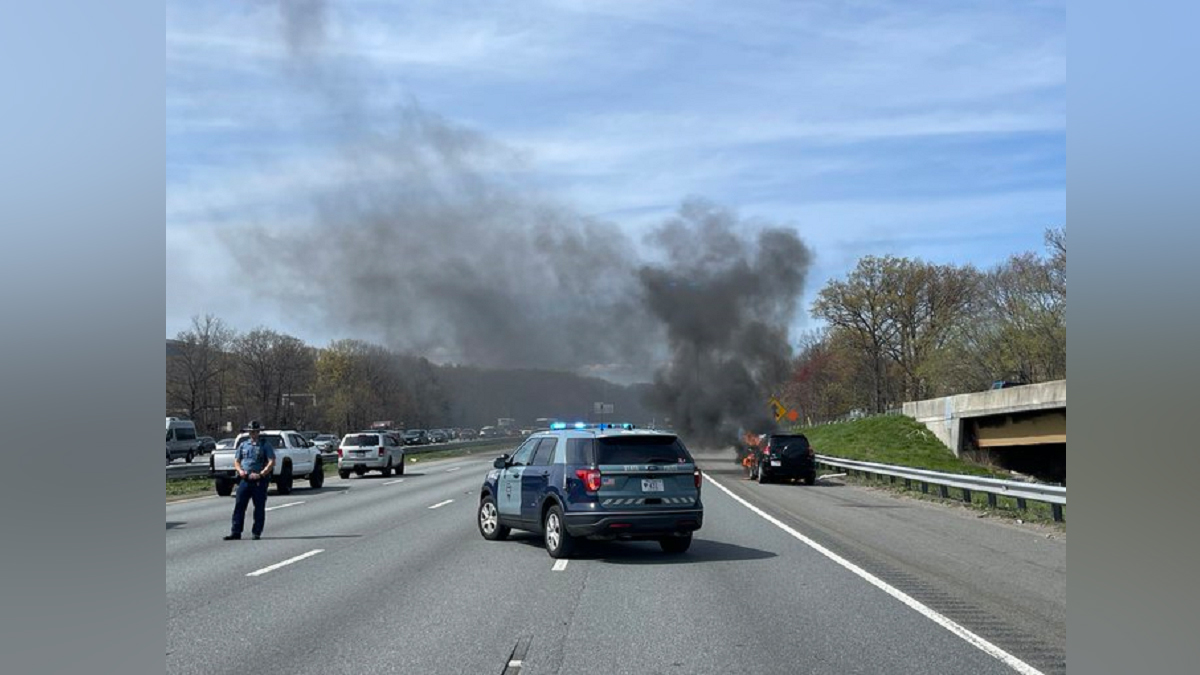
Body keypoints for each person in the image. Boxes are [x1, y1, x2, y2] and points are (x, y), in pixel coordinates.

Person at [224, 420, 275, 541]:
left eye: (255, 431)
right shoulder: (243, 445)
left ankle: (256, 532)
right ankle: (236, 531)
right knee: (239, 506)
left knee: (259, 507)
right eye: (251, 431)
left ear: (259, 432)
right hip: (245, 479)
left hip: (258, 480)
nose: (253, 434)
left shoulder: (264, 445)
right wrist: (240, 471)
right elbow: (237, 461)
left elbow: (271, 461)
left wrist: (262, 474)